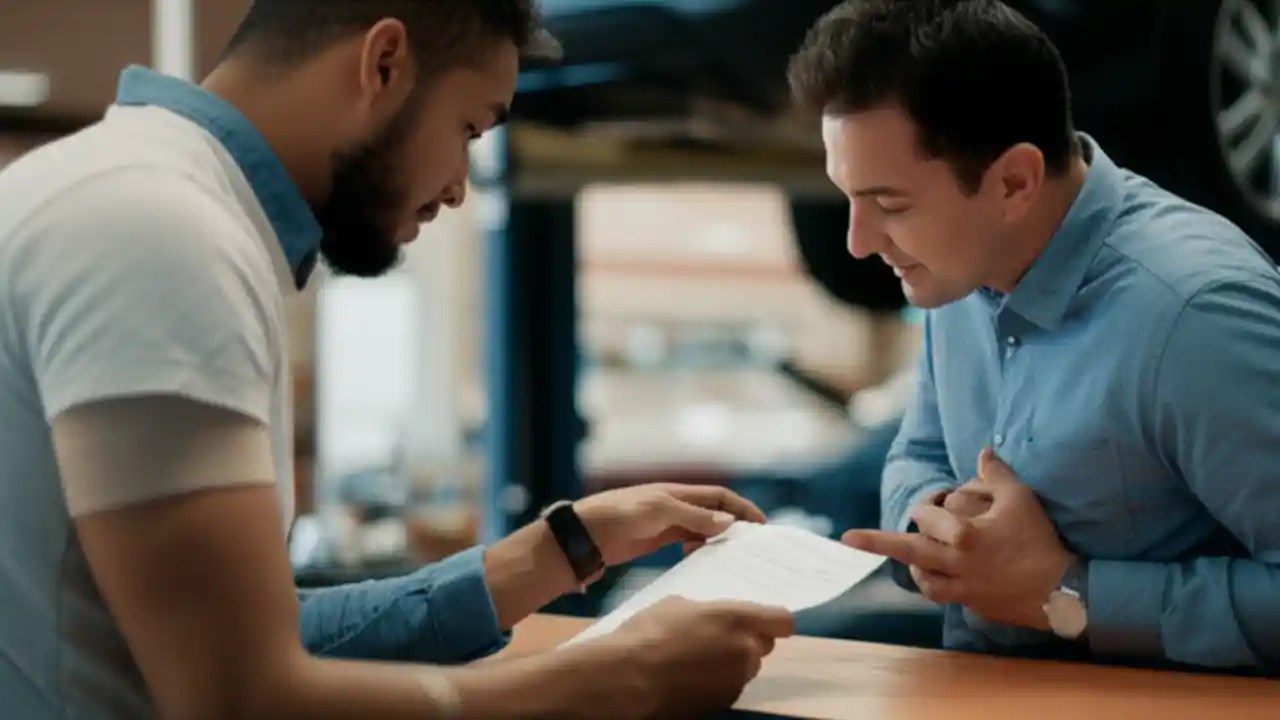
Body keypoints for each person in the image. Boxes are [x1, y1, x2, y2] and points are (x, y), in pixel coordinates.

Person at [0, 2, 797, 718]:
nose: (459, 188)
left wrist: (559, 549)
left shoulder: (135, 194)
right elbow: (239, 698)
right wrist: (616, 682)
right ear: (384, 62)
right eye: (470, 129)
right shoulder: (161, 235)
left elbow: (254, 638)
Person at [788, 0, 1280, 672]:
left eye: (890, 204)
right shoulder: (961, 260)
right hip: (992, 680)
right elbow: (920, 450)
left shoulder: (1195, 317)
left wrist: (1065, 592)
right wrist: (935, 522)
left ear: (1014, 181)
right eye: (848, 198)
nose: (858, 242)